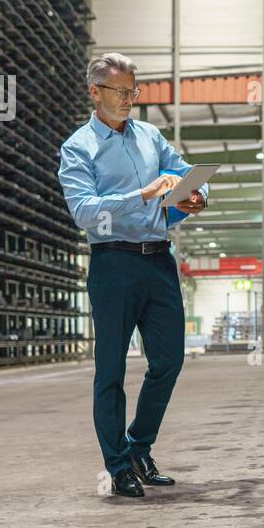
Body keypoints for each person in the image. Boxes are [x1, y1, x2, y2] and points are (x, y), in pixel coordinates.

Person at [57, 53, 209, 498]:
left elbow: (183, 174)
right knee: (111, 370)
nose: (129, 100)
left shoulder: (150, 137)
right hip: (113, 264)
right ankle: (118, 465)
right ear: (95, 92)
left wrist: (196, 194)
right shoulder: (78, 147)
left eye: (133, 92)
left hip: (159, 259)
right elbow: (84, 211)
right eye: (121, 92)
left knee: (168, 361)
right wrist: (139, 194)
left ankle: (139, 446)